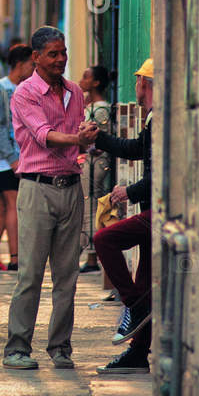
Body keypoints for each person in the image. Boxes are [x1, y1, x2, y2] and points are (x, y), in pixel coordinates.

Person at [3, 26, 99, 370]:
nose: (61, 59)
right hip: (36, 189)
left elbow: (75, 140)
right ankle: (17, 348)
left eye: (64, 52)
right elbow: (45, 135)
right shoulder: (25, 93)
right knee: (29, 274)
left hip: (71, 188)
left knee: (67, 276)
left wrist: (85, 137)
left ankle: (60, 347)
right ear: (36, 57)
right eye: (53, 54)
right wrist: (78, 138)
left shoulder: (75, 92)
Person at [91, 58, 154, 372]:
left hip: (159, 214)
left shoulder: (160, 121)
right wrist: (99, 138)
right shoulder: (152, 119)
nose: (137, 88)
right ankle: (138, 353)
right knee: (143, 282)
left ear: (145, 84)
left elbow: (159, 177)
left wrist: (127, 192)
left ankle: (135, 304)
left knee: (104, 240)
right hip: (152, 212)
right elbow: (134, 149)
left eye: (139, 81)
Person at [0, 43, 35, 271]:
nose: (33, 70)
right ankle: (15, 258)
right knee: (14, 205)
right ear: (20, 64)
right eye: (31, 65)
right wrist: (13, 159)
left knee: (3, 207)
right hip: (4, 159)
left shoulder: (24, 88)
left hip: (15, 157)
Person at [78, 63, 112, 271]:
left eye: (86, 77)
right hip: (92, 161)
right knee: (89, 204)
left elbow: (92, 141)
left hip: (94, 163)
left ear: (96, 83)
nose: (82, 81)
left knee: (90, 205)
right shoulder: (93, 107)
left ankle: (92, 255)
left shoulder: (100, 109)